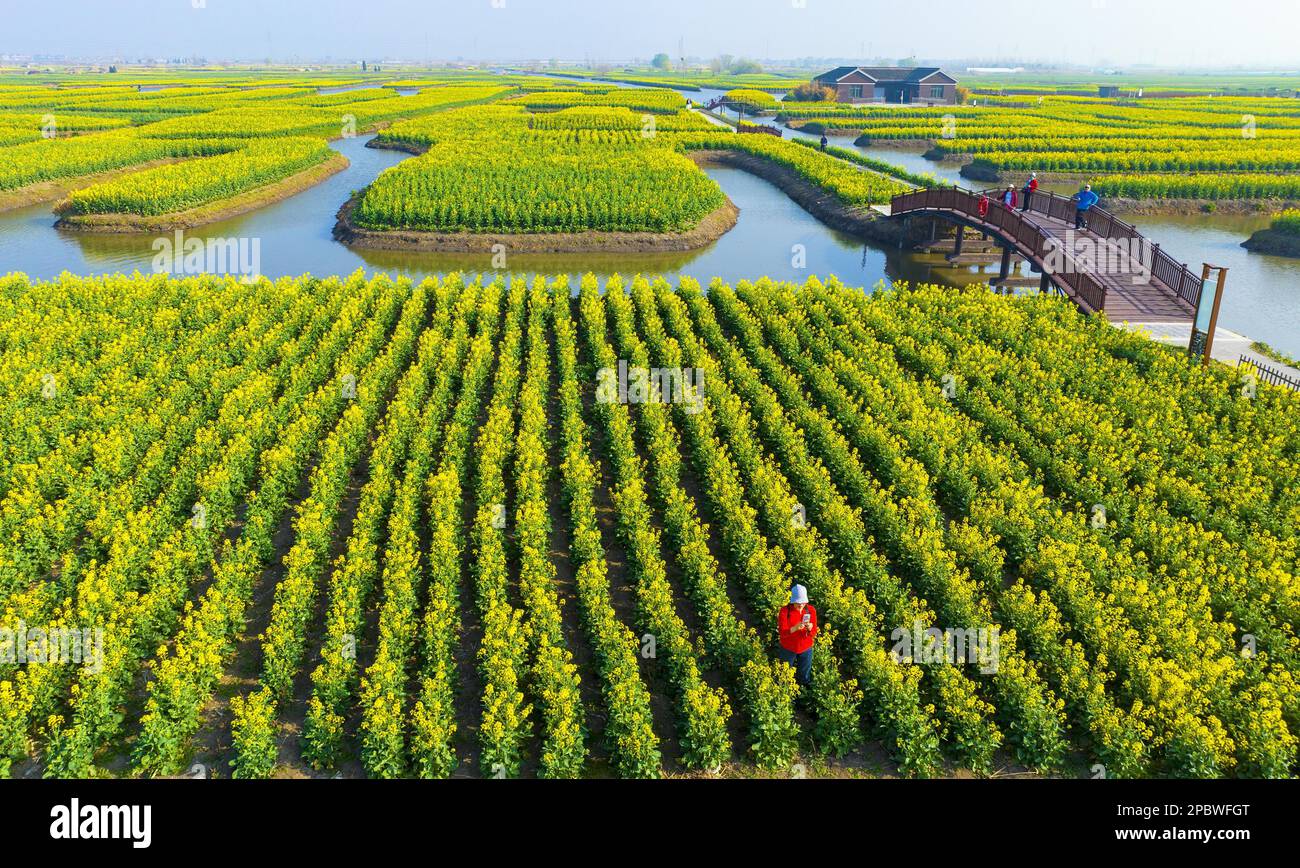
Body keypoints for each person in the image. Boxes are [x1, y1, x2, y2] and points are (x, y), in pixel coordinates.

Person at [777, 585, 818, 687]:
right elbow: (782, 633)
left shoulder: (811, 610)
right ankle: (784, 691)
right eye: (798, 603)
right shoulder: (785, 611)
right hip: (788, 648)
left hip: (806, 648)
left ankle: (803, 695)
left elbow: (813, 633)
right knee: (784, 674)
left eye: (803, 602)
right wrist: (795, 628)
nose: (801, 605)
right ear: (793, 601)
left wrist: (810, 628)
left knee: (804, 675)